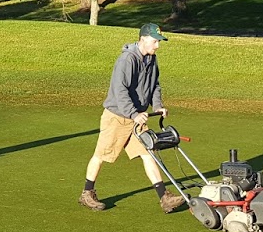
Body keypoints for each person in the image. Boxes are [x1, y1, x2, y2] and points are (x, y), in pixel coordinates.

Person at [79, 22, 188, 213]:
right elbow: (120, 90)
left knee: (148, 153)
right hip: (118, 117)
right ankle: (87, 193)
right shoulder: (127, 60)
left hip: (137, 119)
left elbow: (155, 86)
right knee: (102, 155)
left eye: (158, 42)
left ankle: (164, 197)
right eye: (155, 42)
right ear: (143, 39)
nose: (157, 46)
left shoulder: (151, 60)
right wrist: (133, 113)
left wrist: (158, 106)